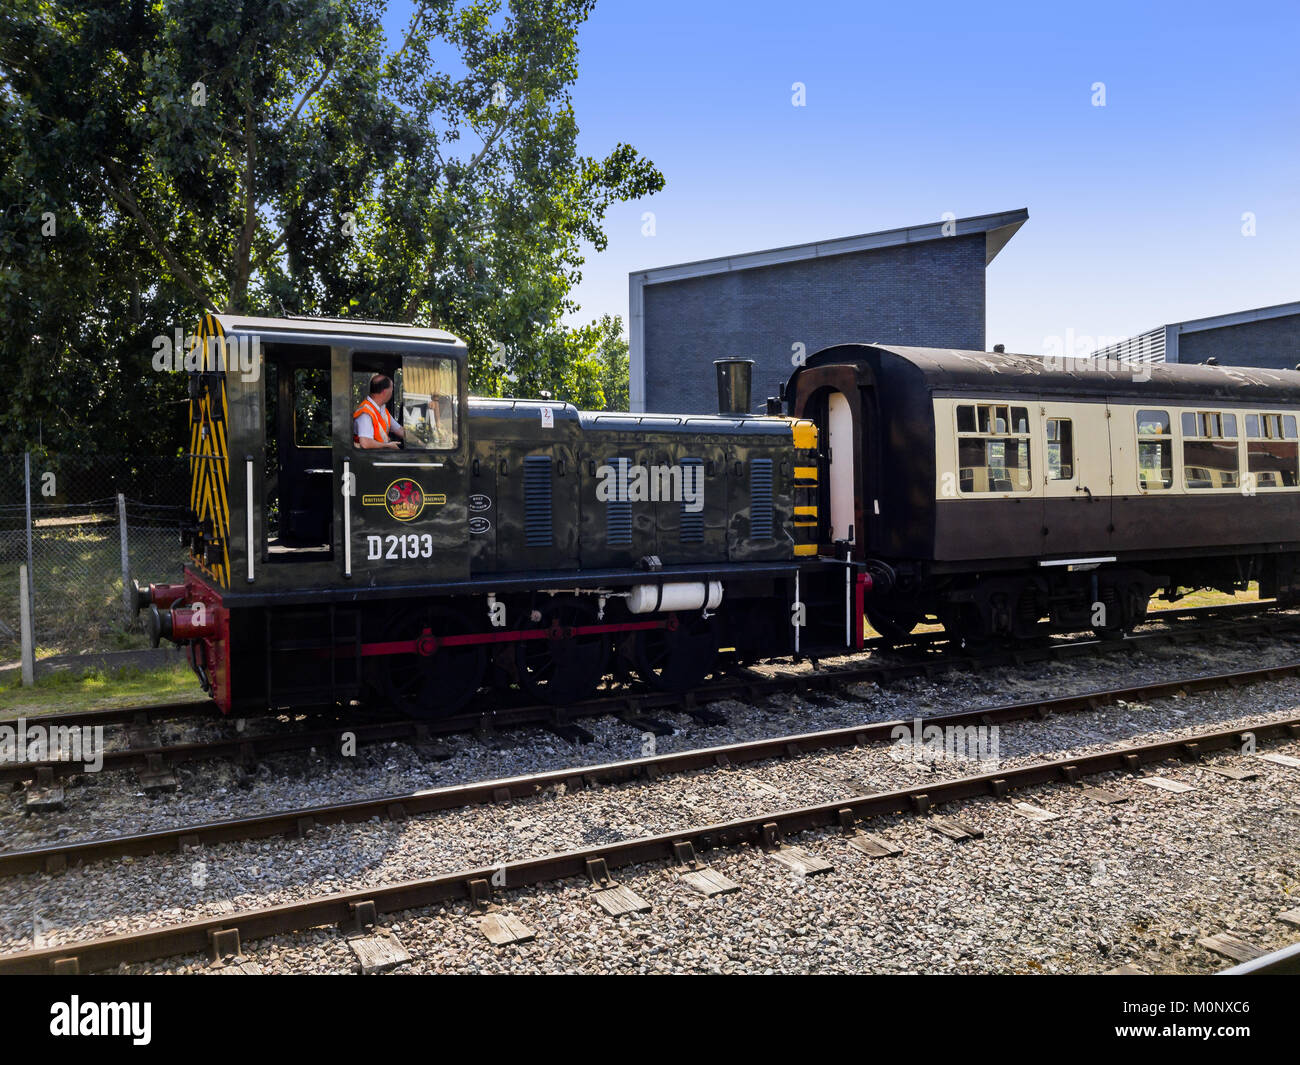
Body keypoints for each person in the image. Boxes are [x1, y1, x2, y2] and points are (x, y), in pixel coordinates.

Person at [353, 374, 406, 450]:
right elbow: (365, 443)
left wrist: (419, 441)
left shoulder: (382, 410)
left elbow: (399, 430)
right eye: (391, 390)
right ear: (385, 392)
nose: (391, 393)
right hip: (368, 459)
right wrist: (388, 445)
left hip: (379, 456)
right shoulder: (365, 413)